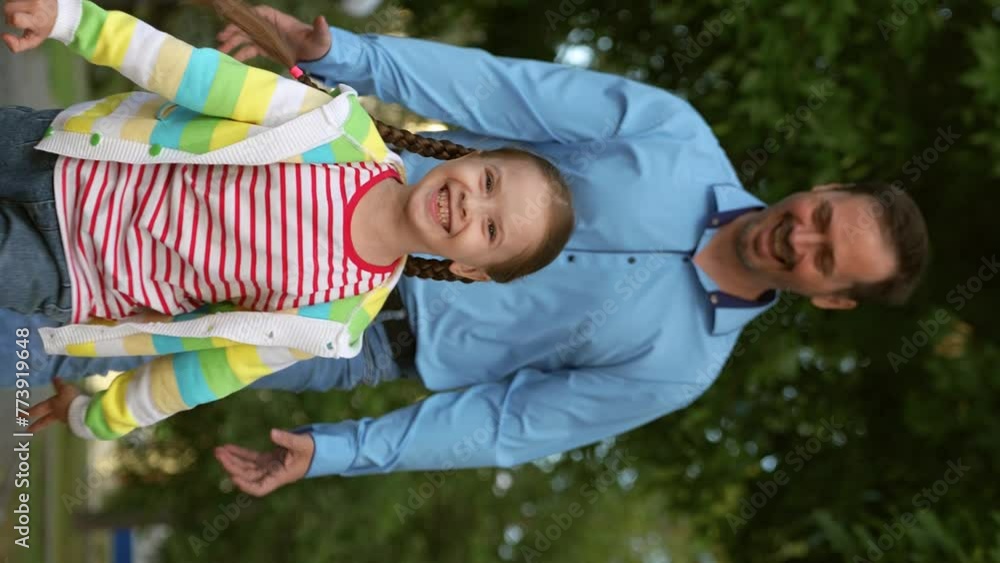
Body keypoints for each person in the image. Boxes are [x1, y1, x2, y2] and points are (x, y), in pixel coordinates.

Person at [1, 4, 929, 496]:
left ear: (831, 297)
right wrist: (347, 58)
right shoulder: (674, 135)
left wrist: (334, 453)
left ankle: (64, 353)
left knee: (157, 325)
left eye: (823, 257)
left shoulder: (680, 370)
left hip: (357, 334)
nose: (798, 233)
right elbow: (501, 95)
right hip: (344, 191)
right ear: (825, 187)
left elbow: (501, 426)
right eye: (821, 212)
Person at [0, 0, 573, 440]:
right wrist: (78, 20)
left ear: (471, 269)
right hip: (63, 154)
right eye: (489, 182)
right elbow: (193, 75)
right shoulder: (335, 131)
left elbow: (198, 377)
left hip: (70, 274)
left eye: (491, 230)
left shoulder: (331, 321)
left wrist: (95, 417)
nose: (474, 204)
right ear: (471, 156)